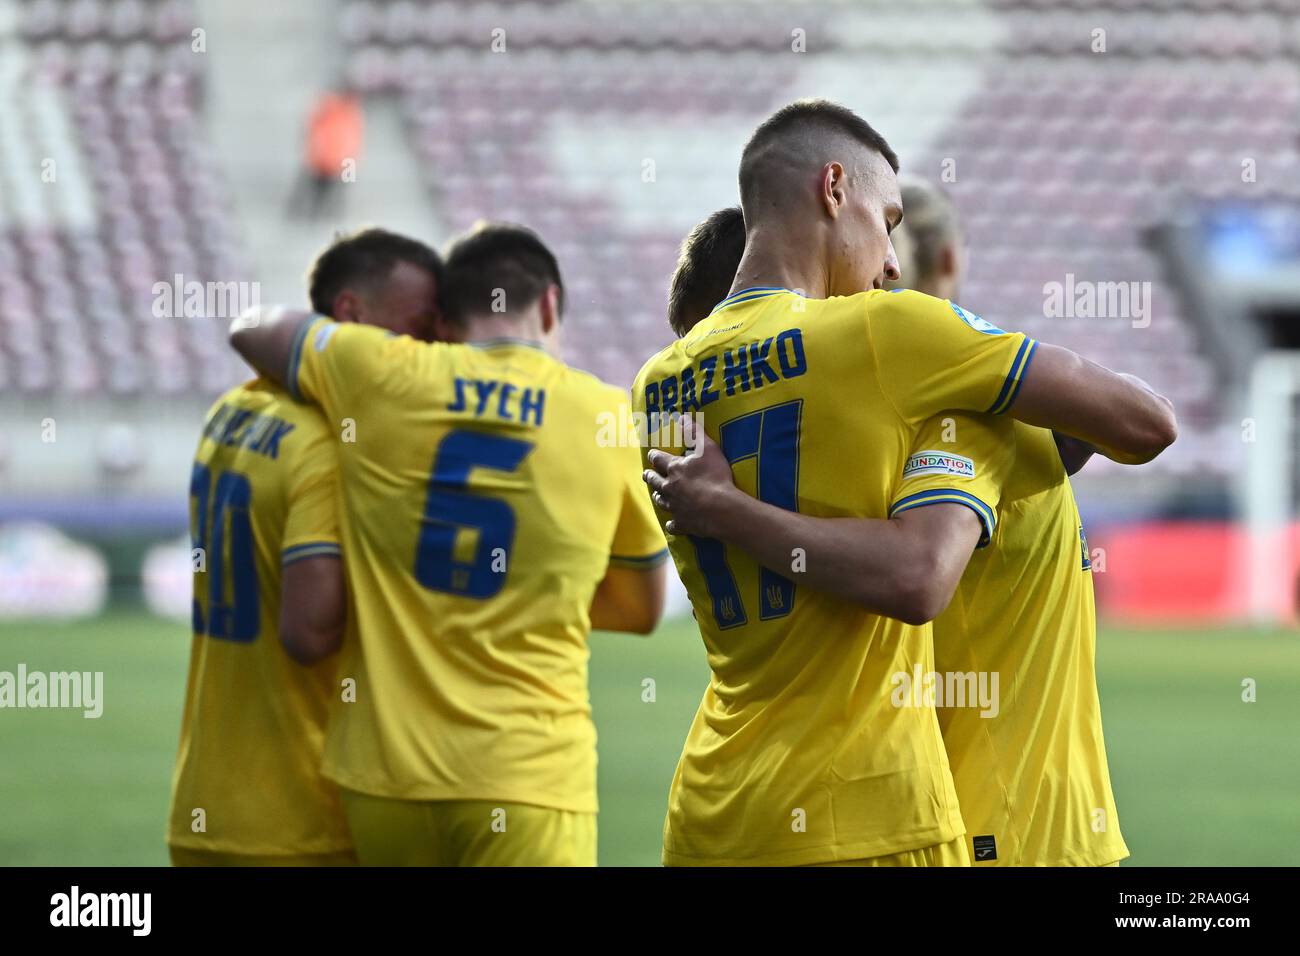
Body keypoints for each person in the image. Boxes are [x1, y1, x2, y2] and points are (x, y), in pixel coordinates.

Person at [632, 98, 1175, 866]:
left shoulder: (656, 383)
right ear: (833, 189)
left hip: (714, 810)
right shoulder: (890, 343)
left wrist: (729, 510)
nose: (888, 262)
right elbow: (1146, 424)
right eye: (883, 221)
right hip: (877, 807)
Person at [227, 222, 669, 866]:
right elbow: (643, 609)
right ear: (548, 305)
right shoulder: (605, 415)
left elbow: (252, 326)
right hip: (526, 778)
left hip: (383, 780)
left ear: (444, 315)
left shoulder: (383, 371)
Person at [168, 228, 443, 866]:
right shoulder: (330, 438)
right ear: (350, 315)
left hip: (205, 807)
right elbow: (309, 630)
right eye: (419, 328)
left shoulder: (234, 409)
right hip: (300, 818)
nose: (430, 352)